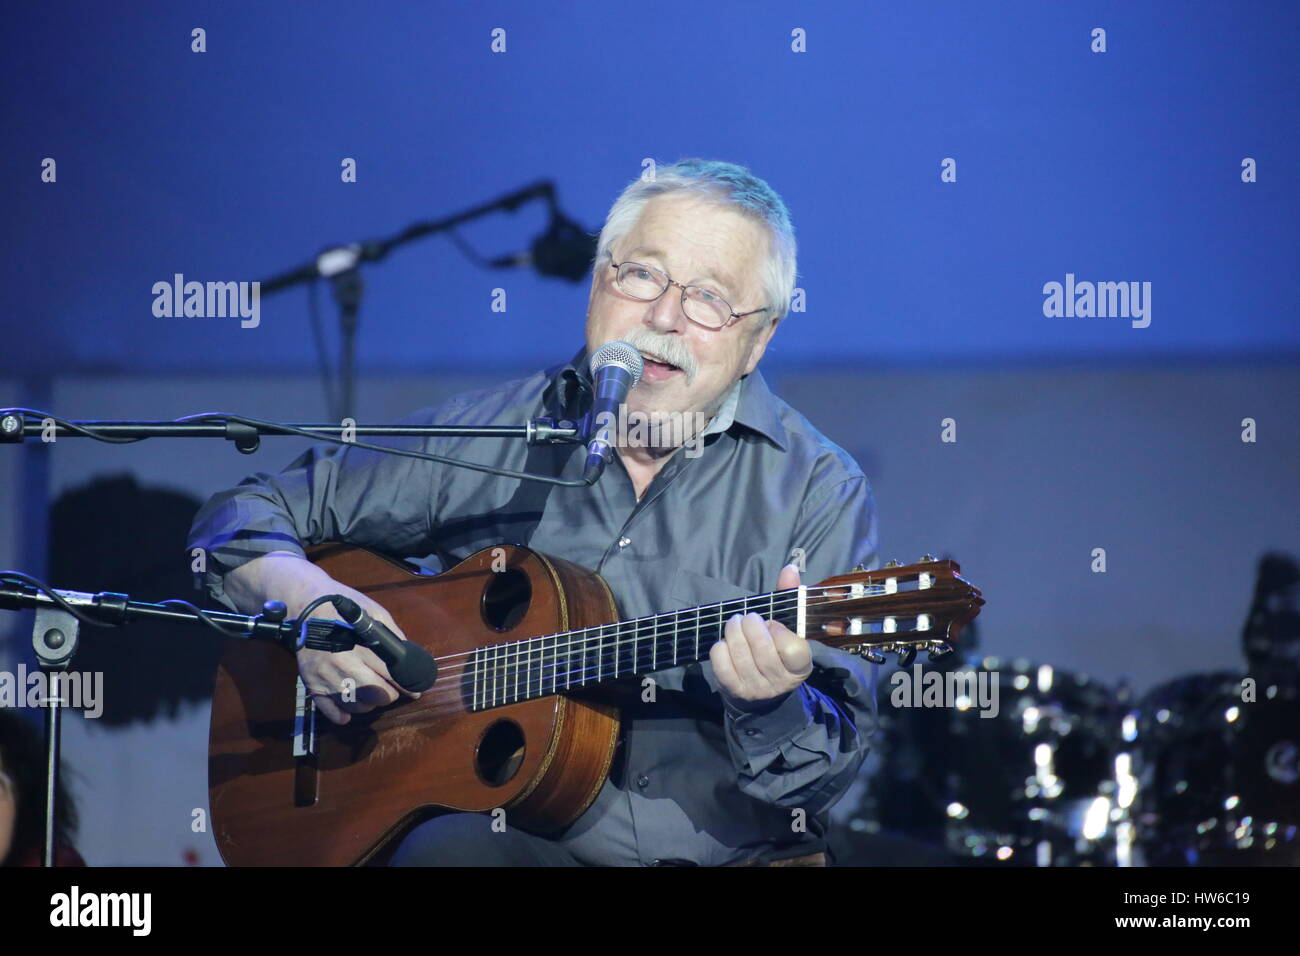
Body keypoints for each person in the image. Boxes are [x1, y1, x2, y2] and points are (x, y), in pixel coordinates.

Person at [189, 158, 880, 866]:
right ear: (597, 282)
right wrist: (309, 602)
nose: (664, 316)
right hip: (510, 841)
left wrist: (768, 705)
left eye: (708, 298)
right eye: (641, 274)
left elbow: (819, 784)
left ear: (756, 340)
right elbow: (235, 519)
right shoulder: (493, 431)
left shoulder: (816, 487)